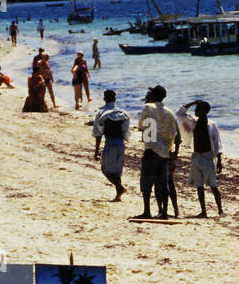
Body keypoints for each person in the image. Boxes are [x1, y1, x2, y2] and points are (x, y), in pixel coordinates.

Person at [138, 85, 180, 219]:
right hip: (165, 151)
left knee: (146, 182)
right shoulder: (170, 112)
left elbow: (141, 126)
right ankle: (164, 212)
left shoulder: (148, 108)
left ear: (153, 95)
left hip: (151, 148)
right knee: (163, 182)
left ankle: (147, 211)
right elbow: (174, 133)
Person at [180, 100, 223, 217]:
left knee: (213, 185)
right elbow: (180, 113)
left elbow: (217, 142)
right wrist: (194, 102)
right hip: (196, 156)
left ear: (205, 111)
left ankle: (220, 210)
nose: (196, 111)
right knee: (199, 186)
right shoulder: (193, 122)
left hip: (208, 157)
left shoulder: (211, 125)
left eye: (198, 109)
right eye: (196, 109)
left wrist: (219, 161)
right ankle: (203, 211)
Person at [93, 88, 130, 201]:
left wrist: (96, 150)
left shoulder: (101, 113)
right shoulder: (122, 113)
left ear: (105, 98)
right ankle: (118, 194)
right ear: (114, 98)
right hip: (121, 143)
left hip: (110, 143)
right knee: (117, 170)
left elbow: (98, 133)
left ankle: (120, 188)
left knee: (105, 169)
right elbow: (126, 131)